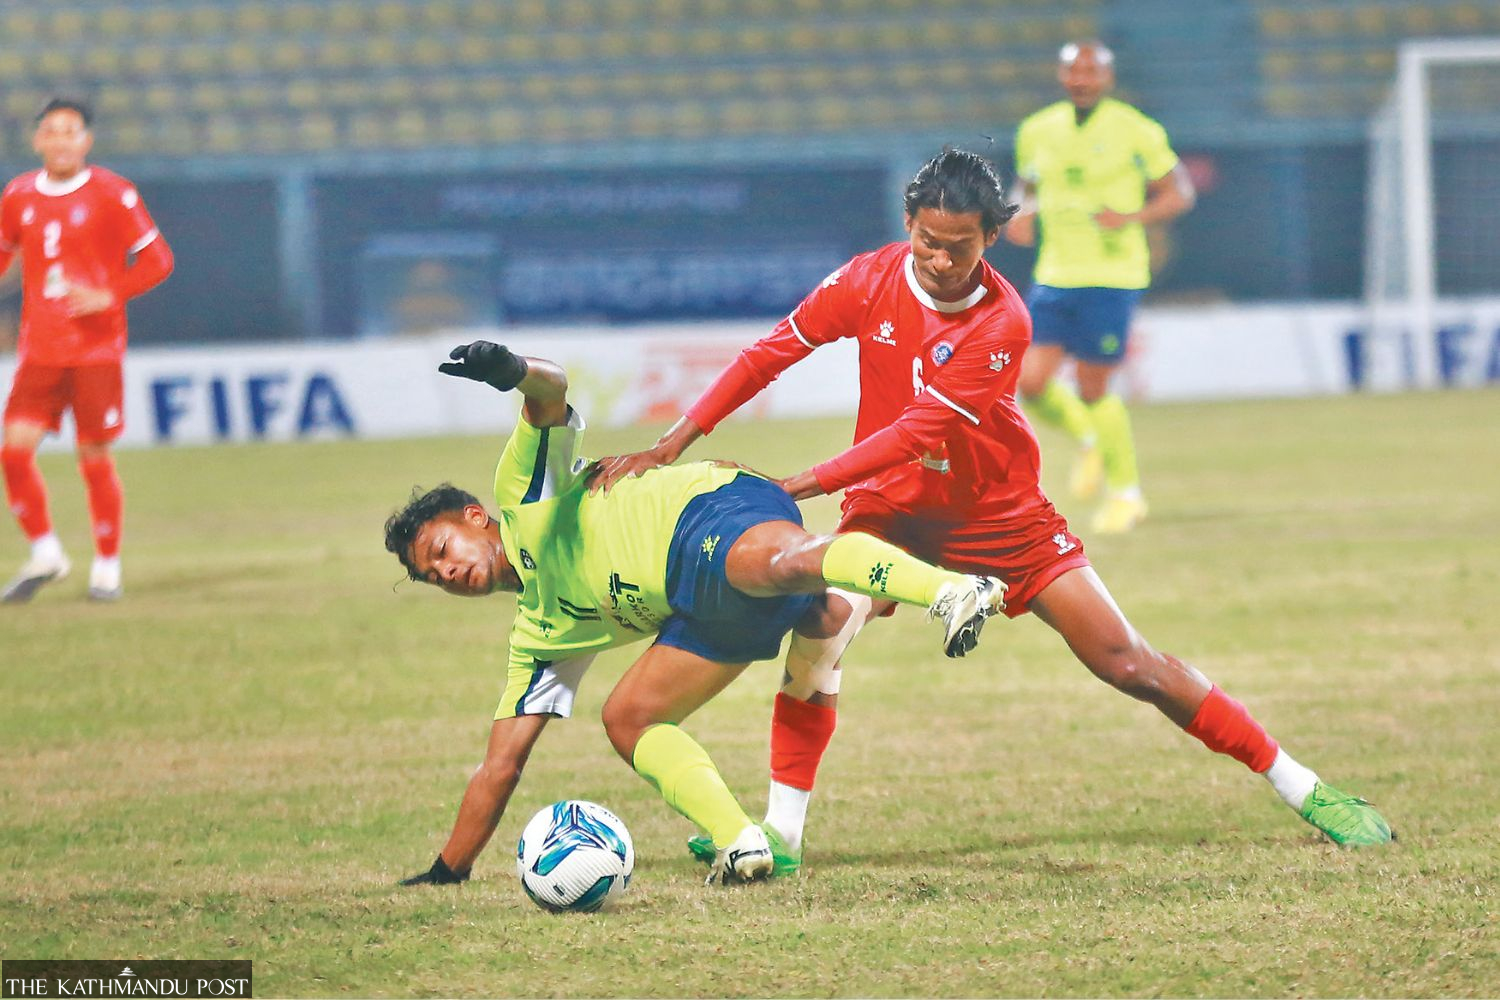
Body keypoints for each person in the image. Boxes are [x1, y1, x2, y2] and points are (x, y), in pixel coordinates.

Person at [591, 148, 1392, 877]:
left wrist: (795, 486)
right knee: (824, 623)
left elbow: (919, 431)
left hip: (998, 515)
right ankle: (785, 834)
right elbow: (772, 352)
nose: (941, 261)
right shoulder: (867, 280)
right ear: (908, 223)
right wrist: (672, 442)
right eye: (927, 242)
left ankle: (1304, 787)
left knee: (1129, 663)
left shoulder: (1003, 321)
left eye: (960, 247)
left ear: (992, 239)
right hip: (892, 509)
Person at [391, 341, 1005, 887]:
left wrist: (510, 369)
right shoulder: (539, 636)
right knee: (629, 719)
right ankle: (741, 840)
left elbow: (550, 390)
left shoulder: (523, 490)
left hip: (702, 510)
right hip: (700, 607)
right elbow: (500, 765)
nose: (446, 572)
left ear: (475, 517)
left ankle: (954, 590)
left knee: (786, 564)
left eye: (441, 550)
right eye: (432, 577)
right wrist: (448, 871)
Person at [1004, 41, 1196, 534]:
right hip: (1054, 273)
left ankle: (1126, 495)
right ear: (1061, 76)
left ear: (1108, 78)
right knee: (1030, 382)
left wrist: (1132, 217)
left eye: (1091, 71)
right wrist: (1021, 213)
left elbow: (1180, 192)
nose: (1081, 79)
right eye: (1073, 71)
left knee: (1093, 386)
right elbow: (1027, 183)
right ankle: (1090, 438)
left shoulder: (1136, 129)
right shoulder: (1037, 129)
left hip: (1112, 275)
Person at [0, 98, 175, 602]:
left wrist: (109, 293)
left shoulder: (113, 193)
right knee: (12, 452)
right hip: (40, 348)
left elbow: (159, 261)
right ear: (38, 140)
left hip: (96, 348)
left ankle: (106, 567)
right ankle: (46, 554)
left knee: (93, 455)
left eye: (70, 130)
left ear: (86, 141)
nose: (60, 139)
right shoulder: (17, 194)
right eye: (51, 130)